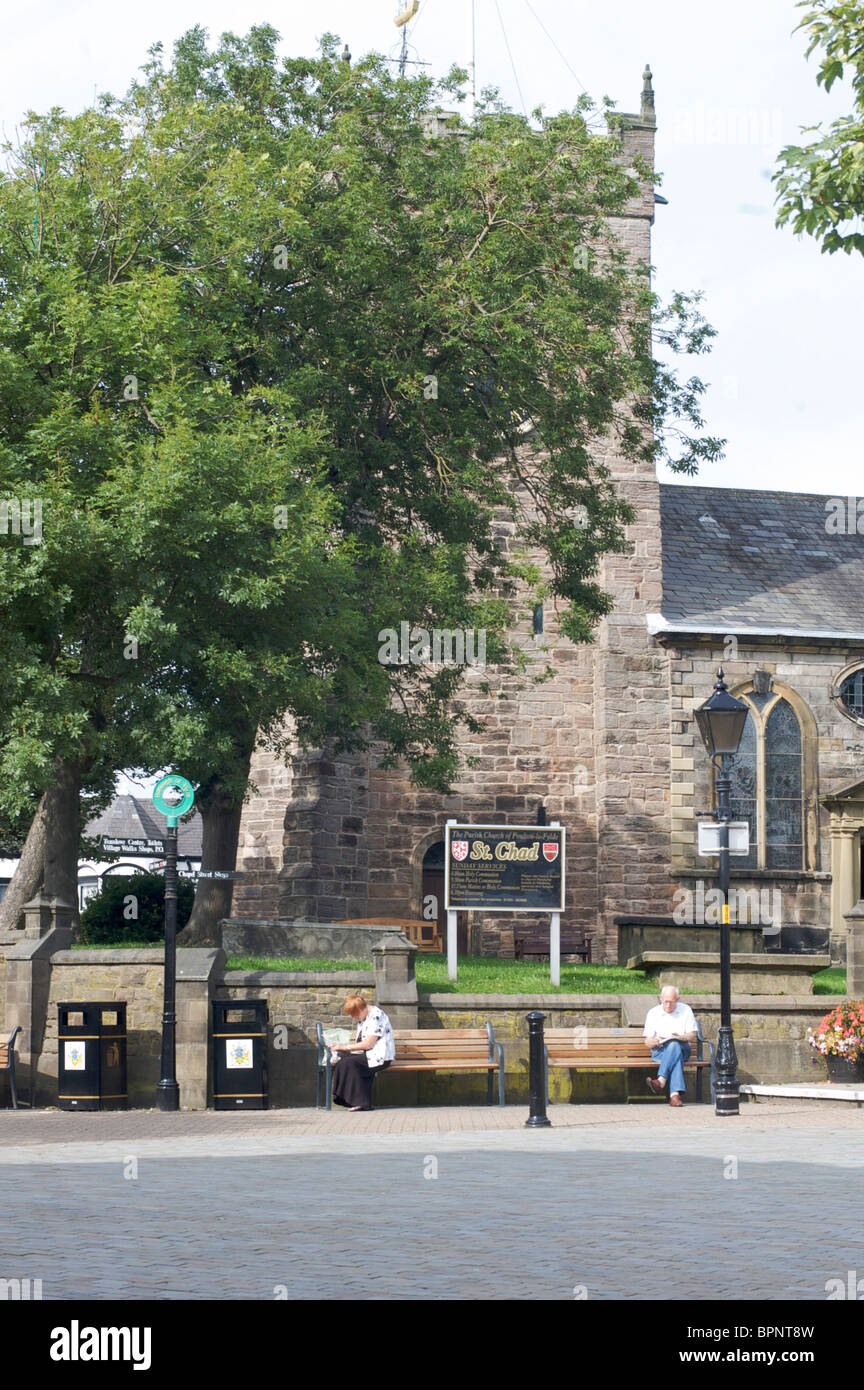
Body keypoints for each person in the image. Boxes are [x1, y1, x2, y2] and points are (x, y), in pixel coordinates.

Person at [329, 994, 395, 1111]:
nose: (354, 1017)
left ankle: (360, 1103)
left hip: (381, 1057)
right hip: (369, 1055)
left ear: (360, 1009)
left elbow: (368, 1043)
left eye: (354, 1014)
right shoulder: (364, 1018)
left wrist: (345, 1047)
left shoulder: (376, 1016)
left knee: (349, 1063)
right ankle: (355, 1102)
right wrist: (340, 1047)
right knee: (344, 1062)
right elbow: (361, 1043)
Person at [643, 984, 698, 1107]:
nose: (668, 1005)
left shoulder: (685, 1010)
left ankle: (661, 1081)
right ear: (661, 998)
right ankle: (674, 1096)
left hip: (683, 1048)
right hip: (660, 1051)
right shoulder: (653, 1013)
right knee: (675, 1054)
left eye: (672, 1002)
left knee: (674, 1044)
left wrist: (680, 1037)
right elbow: (647, 1041)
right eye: (666, 1002)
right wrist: (654, 1041)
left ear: (677, 1000)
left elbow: (692, 1035)